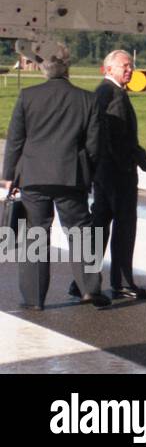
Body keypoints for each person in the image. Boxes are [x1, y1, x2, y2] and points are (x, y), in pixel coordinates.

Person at [1, 48, 111, 309]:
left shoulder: (28, 96)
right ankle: (89, 289)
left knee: (35, 235)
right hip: (70, 176)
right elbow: (95, 145)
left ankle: (34, 298)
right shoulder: (87, 99)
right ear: (68, 69)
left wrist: (8, 175)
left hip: (33, 176)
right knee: (81, 231)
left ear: (44, 70)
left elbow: (16, 138)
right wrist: (88, 173)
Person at [89, 50, 146, 300]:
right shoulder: (113, 95)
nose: (130, 70)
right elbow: (114, 137)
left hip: (104, 172)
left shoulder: (103, 92)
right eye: (125, 66)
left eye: (131, 66)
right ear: (109, 69)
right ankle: (123, 282)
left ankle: (83, 280)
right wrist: (130, 161)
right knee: (124, 227)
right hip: (117, 173)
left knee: (99, 225)